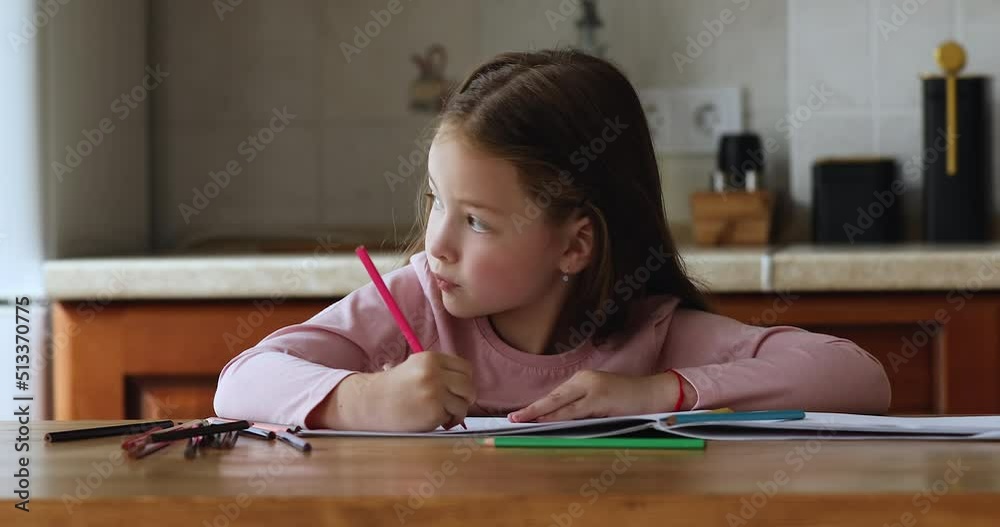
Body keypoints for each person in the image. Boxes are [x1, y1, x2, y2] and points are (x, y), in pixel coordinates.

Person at [213, 49, 891, 432]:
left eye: (475, 220)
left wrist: (657, 393)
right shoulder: (416, 301)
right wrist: (365, 399)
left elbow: (858, 376)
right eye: (435, 201)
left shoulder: (647, 336)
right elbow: (241, 383)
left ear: (575, 245)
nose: (436, 243)